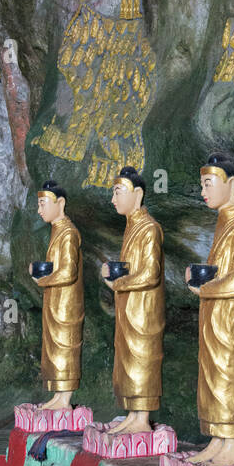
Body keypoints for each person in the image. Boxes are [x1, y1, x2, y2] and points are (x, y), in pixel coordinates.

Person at [185, 154, 234, 466]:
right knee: (213, 378)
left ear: (231, 184)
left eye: (208, 183)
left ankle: (233, 447)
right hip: (214, 318)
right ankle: (218, 439)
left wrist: (205, 288)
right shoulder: (224, 221)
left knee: (233, 378)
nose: (204, 190)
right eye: (202, 184)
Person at [101, 167, 165, 435]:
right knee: (127, 359)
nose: (113, 200)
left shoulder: (150, 229)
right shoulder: (131, 228)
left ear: (137, 194)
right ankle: (133, 413)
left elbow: (151, 274)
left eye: (118, 192)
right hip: (128, 308)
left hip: (145, 311)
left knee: (143, 359)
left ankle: (142, 418)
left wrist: (119, 283)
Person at [29, 180, 84, 411]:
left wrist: (44, 280)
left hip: (66, 304)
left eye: (43, 204)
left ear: (60, 203)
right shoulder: (57, 231)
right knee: (53, 346)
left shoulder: (69, 233)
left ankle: (65, 398)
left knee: (65, 346)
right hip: (55, 301)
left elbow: (69, 271)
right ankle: (58, 395)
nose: (39, 210)